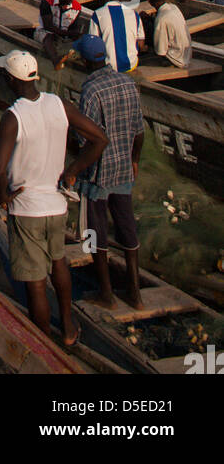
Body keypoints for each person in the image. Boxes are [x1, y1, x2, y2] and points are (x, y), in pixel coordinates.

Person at [0, 50, 107, 347]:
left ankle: (43, 346)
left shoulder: (13, 116)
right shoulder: (59, 104)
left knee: (36, 284)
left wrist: (2, 198)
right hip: (56, 205)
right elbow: (99, 139)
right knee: (59, 264)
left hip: (28, 208)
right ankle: (68, 328)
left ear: (11, 79)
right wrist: (72, 172)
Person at [73, 35, 144, 310]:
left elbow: (86, 140)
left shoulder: (91, 91)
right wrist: (134, 160)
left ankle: (106, 294)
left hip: (98, 174)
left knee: (95, 232)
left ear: (85, 61)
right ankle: (135, 294)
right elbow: (139, 130)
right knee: (127, 227)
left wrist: (73, 168)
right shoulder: (128, 83)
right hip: (124, 169)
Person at [85, 0, 145, 73]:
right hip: (131, 65)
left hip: (108, 66)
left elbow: (94, 45)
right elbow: (141, 44)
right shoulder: (134, 14)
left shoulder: (97, 14)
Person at [148, 0, 192, 68]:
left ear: (149, 2)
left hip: (176, 58)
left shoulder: (161, 18)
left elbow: (160, 51)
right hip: (186, 55)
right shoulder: (174, 7)